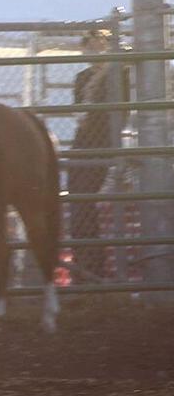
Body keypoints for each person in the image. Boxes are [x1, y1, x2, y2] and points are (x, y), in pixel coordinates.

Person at [69, 26, 129, 277]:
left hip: (103, 141)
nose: (92, 48)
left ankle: (93, 266)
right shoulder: (83, 77)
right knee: (78, 200)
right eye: (88, 44)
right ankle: (85, 266)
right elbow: (80, 114)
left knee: (85, 199)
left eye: (97, 43)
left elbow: (119, 112)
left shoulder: (119, 74)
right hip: (84, 142)